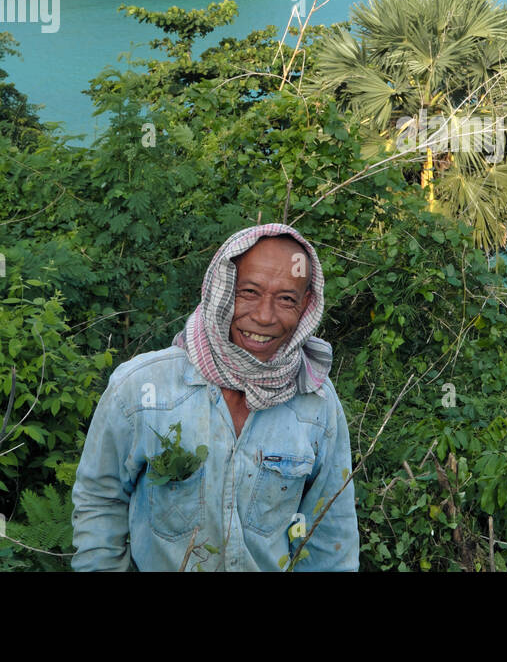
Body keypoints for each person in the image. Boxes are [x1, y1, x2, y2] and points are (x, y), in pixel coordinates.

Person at [71, 223, 358, 571]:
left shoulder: (317, 403)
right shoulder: (140, 388)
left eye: (286, 299)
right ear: (221, 290)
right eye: (248, 292)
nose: (265, 316)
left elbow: (329, 532)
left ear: (305, 307)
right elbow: (100, 503)